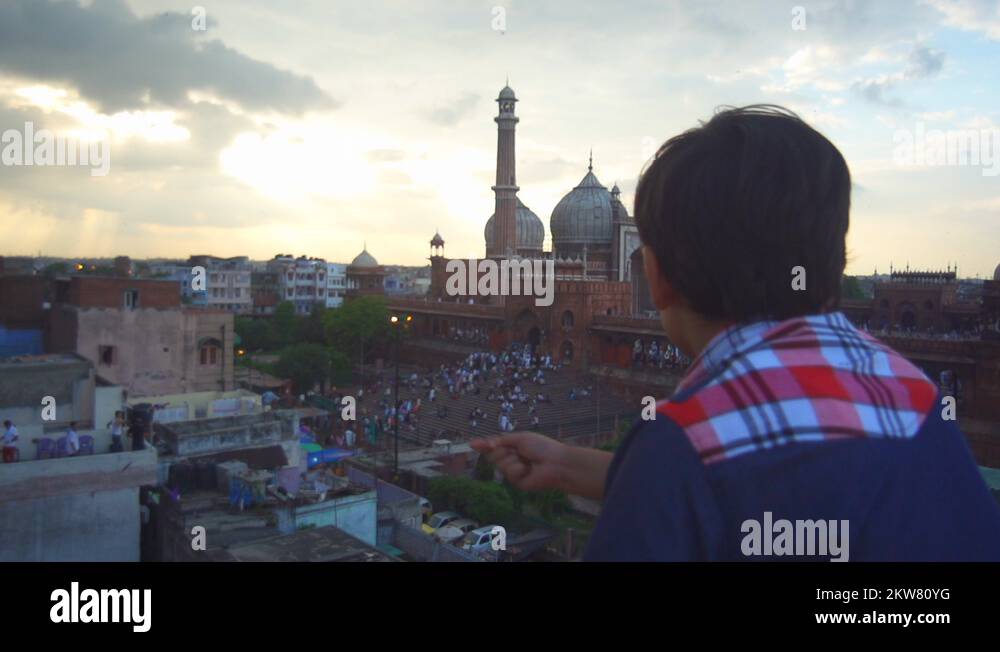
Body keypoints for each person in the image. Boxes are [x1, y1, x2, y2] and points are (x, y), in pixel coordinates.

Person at [473, 105, 1000, 561]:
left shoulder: (684, 442)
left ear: (655, 275)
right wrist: (575, 467)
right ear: (836, 259)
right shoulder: (916, 399)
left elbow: (722, 482)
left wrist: (645, 479)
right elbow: (806, 488)